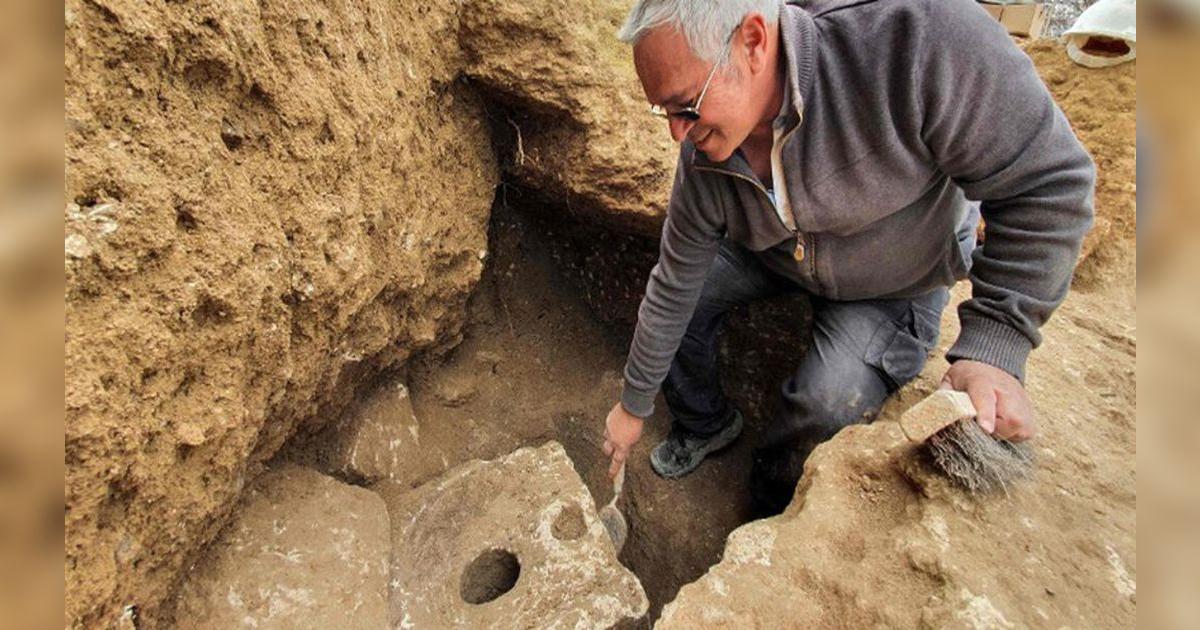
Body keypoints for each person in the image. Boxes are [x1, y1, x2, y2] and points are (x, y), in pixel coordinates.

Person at [599, 0, 1096, 515]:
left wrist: (995, 348)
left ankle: (768, 507)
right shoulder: (703, 157)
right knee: (687, 305)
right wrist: (633, 406)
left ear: (753, 42)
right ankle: (706, 424)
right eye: (664, 111)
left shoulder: (916, 42)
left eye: (687, 106)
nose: (677, 134)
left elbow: (1049, 184)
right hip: (774, 255)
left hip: (895, 282)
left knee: (823, 402)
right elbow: (674, 280)